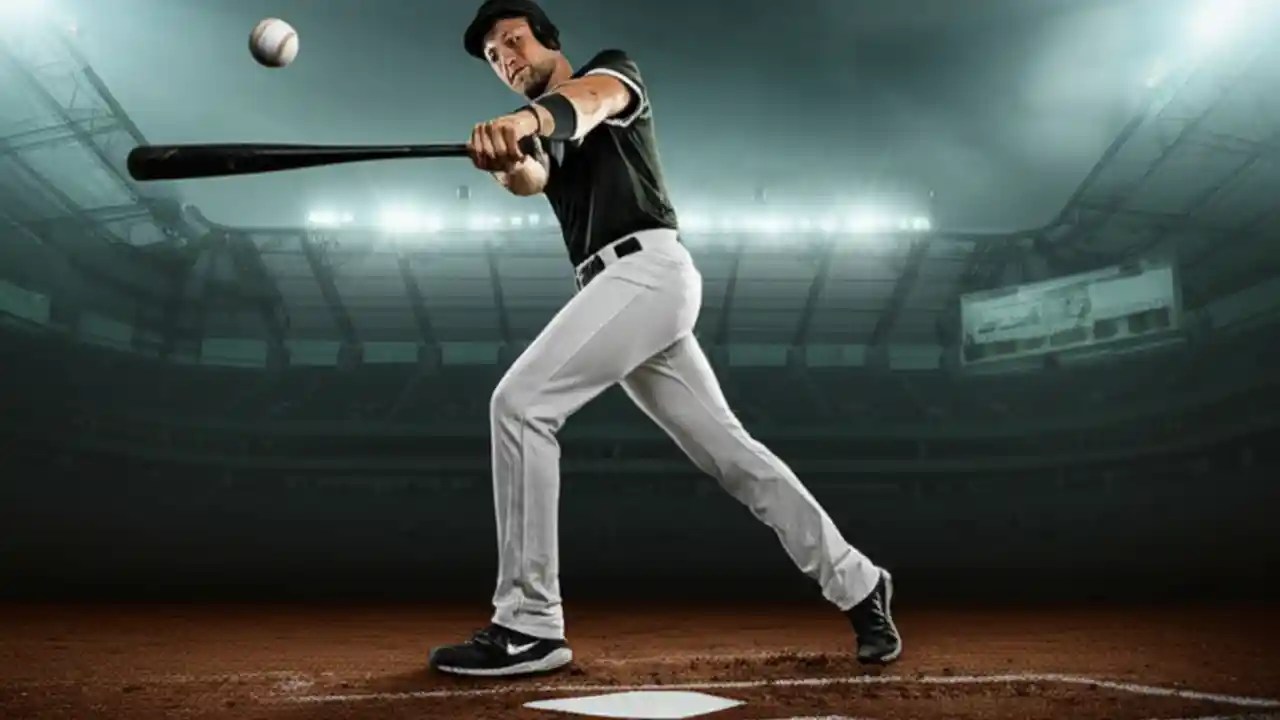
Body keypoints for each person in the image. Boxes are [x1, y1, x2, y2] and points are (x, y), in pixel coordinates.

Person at [428, 0, 901, 677]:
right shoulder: (547, 136)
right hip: (615, 293)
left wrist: (523, 122)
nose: (507, 59)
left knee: (522, 404)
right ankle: (859, 582)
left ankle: (529, 623)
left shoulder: (611, 72)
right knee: (735, 458)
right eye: (496, 57)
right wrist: (503, 157)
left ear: (549, 41)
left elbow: (583, 104)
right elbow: (531, 178)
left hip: (648, 271)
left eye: (514, 40)